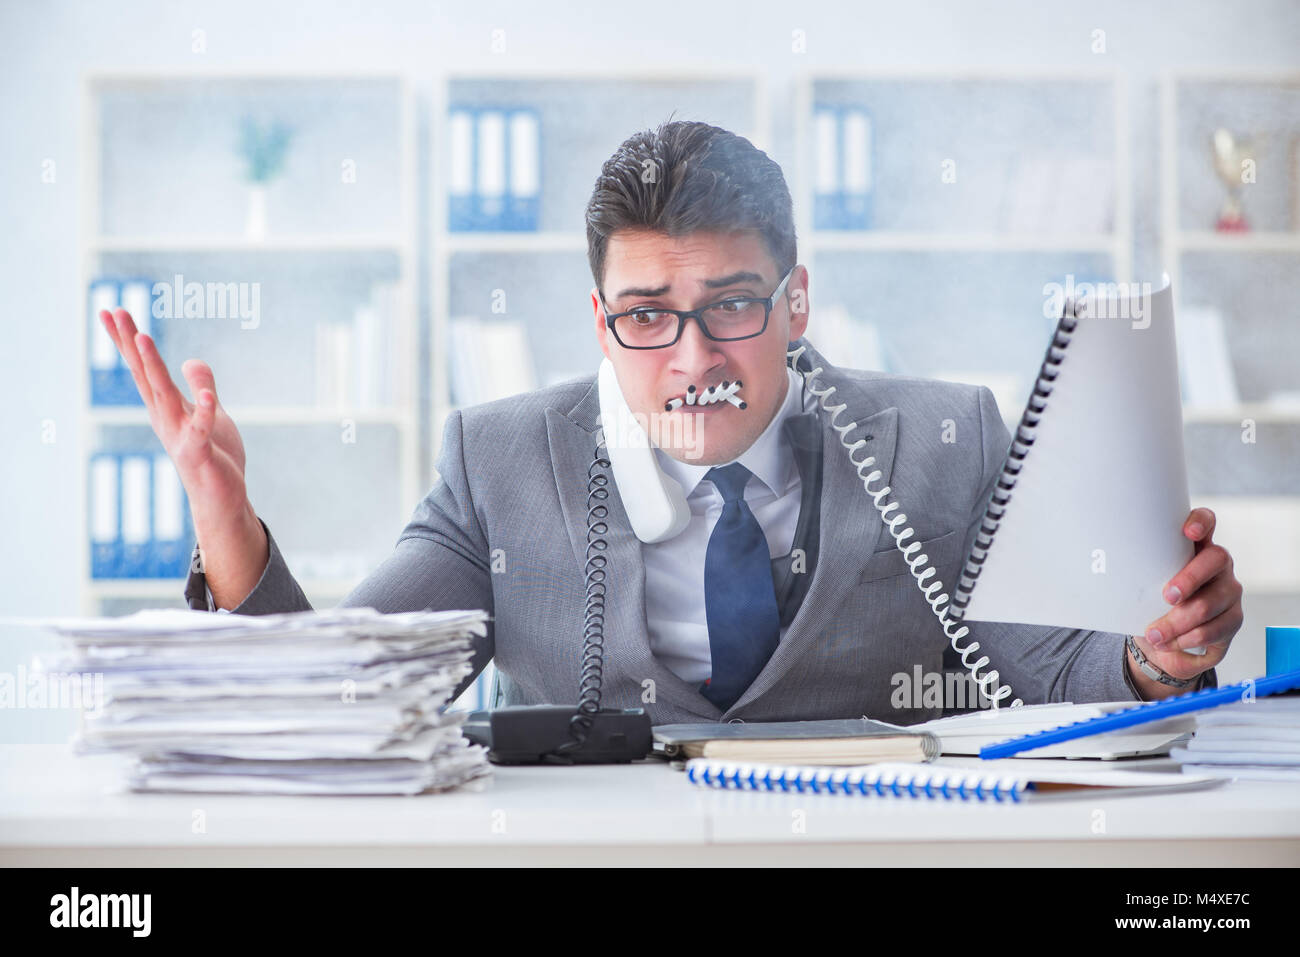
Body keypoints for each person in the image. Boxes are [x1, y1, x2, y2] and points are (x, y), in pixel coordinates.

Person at [98, 120, 1242, 724]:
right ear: (600, 324)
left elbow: (1043, 668)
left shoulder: (942, 439)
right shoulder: (499, 462)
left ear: (796, 299)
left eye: (733, 306)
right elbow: (347, 692)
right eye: (648, 315)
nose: (693, 358)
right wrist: (227, 521)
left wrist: (1156, 655)